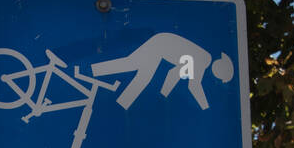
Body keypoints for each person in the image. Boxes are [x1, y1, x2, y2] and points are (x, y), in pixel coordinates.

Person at [90, 33, 234, 111]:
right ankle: (92, 71)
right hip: (159, 46)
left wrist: (164, 97)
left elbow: (174, 73)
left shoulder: (201, 58)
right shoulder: (203, 60)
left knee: (139, 73)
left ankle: (121, 107)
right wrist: (205, 107)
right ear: (219, 72)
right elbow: (194, 86)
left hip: (160, 44)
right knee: (135, 69)